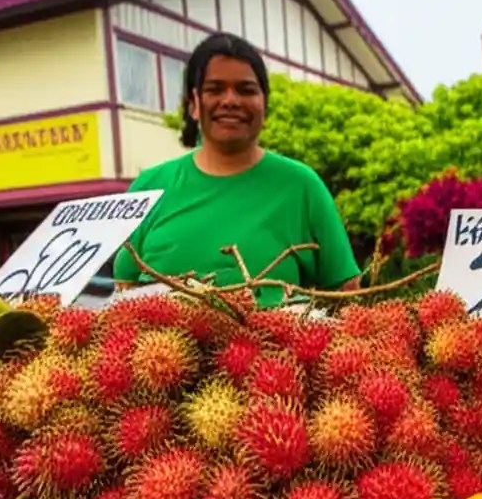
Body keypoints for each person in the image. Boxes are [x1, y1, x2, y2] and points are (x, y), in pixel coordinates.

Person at [111, 33, 362, 305]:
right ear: (193, 104)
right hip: (158, 345)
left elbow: (346, 294)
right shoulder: (148, 187)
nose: (230, 100)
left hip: (274, 347)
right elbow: (124, 291)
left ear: (264, 105)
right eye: (215, 89)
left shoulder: (302, 186)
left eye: (246, 90)